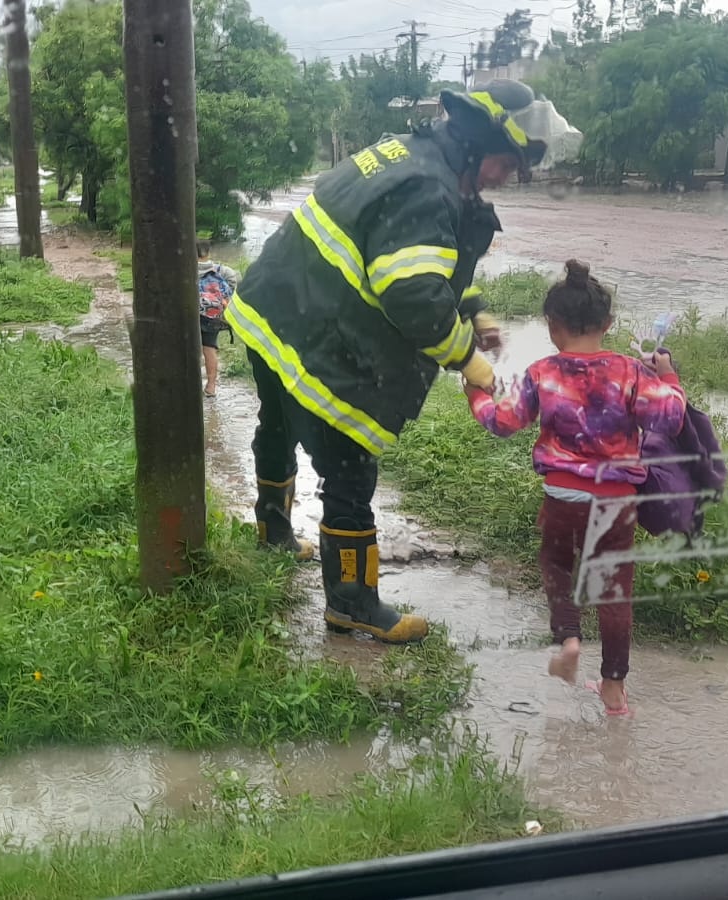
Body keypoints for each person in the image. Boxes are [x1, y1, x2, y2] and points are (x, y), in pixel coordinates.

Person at [225, 85, 547, 644]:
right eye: (507, 162)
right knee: (349, 468)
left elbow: (405, 254)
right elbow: (413, 296)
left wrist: (472, 309)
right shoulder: (429, 185)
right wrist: (468, 360)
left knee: (274, 424)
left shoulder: (408, 151)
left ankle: (272, 530)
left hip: (271, 306)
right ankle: (351, 602)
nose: (510, 176)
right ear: (477, 146)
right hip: (310, 327)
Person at [466, 260, 687, 715]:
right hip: (617, 503)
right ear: (608, 324)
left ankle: (568, 641)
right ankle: (612, 687)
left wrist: (475, 391)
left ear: (552, 326)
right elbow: (671, 418)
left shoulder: (543, 372)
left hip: (563, 496)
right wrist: (667, 375)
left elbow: (503, 422)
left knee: (557, 567)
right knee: (614, 589)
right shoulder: (630, 372)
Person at [196, 239, 238, 398]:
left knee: (188, 349)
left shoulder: (186, 268)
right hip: (212, 316)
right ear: (208, 252)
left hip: (190, 314)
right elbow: (233, 279)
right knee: (209, 348)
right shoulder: (220, 270)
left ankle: (190, 382)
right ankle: (211, 386)